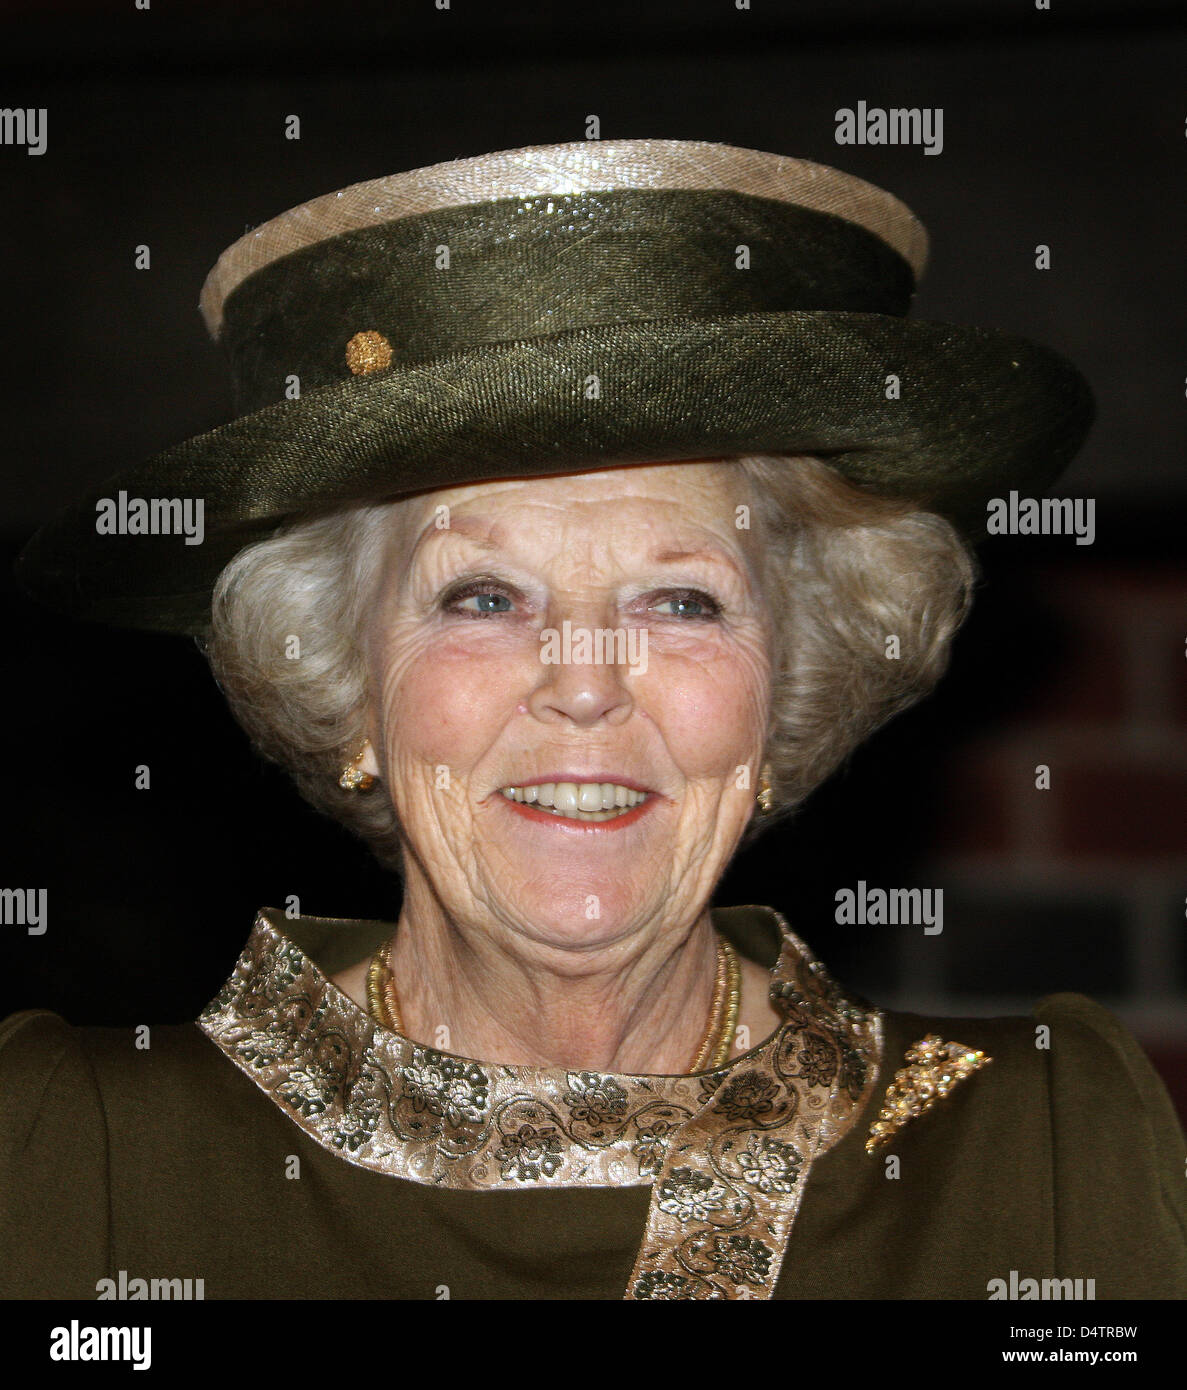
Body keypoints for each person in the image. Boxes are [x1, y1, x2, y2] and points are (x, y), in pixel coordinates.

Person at [6, 138, 1184, 1300]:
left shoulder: (1043, 1152)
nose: (582, 682)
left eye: (680, 601)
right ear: (346, 681)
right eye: (484, 596)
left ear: (789, 685)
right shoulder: (75, 1158)